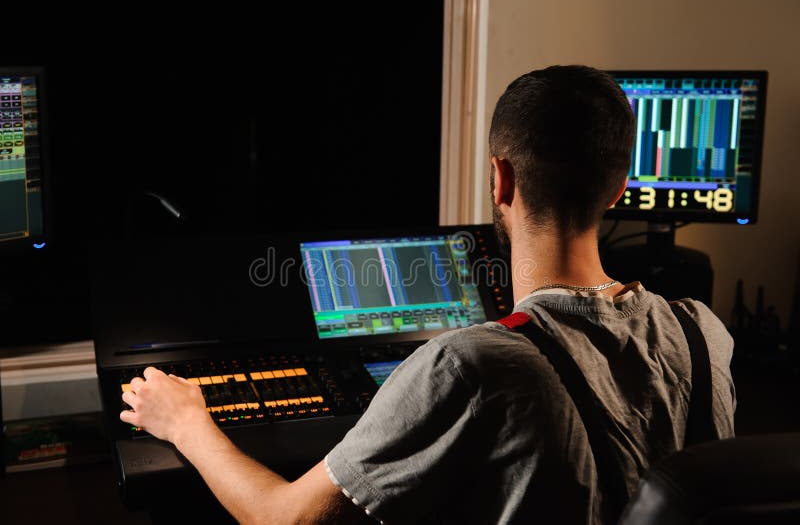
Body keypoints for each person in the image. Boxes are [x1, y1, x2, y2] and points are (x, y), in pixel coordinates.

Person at [121, 65, 735, 524]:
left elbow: (281, 518)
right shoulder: (702, 332)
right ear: (618, 189)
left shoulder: (471, 363)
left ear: (502, 179)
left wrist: (187, 424)